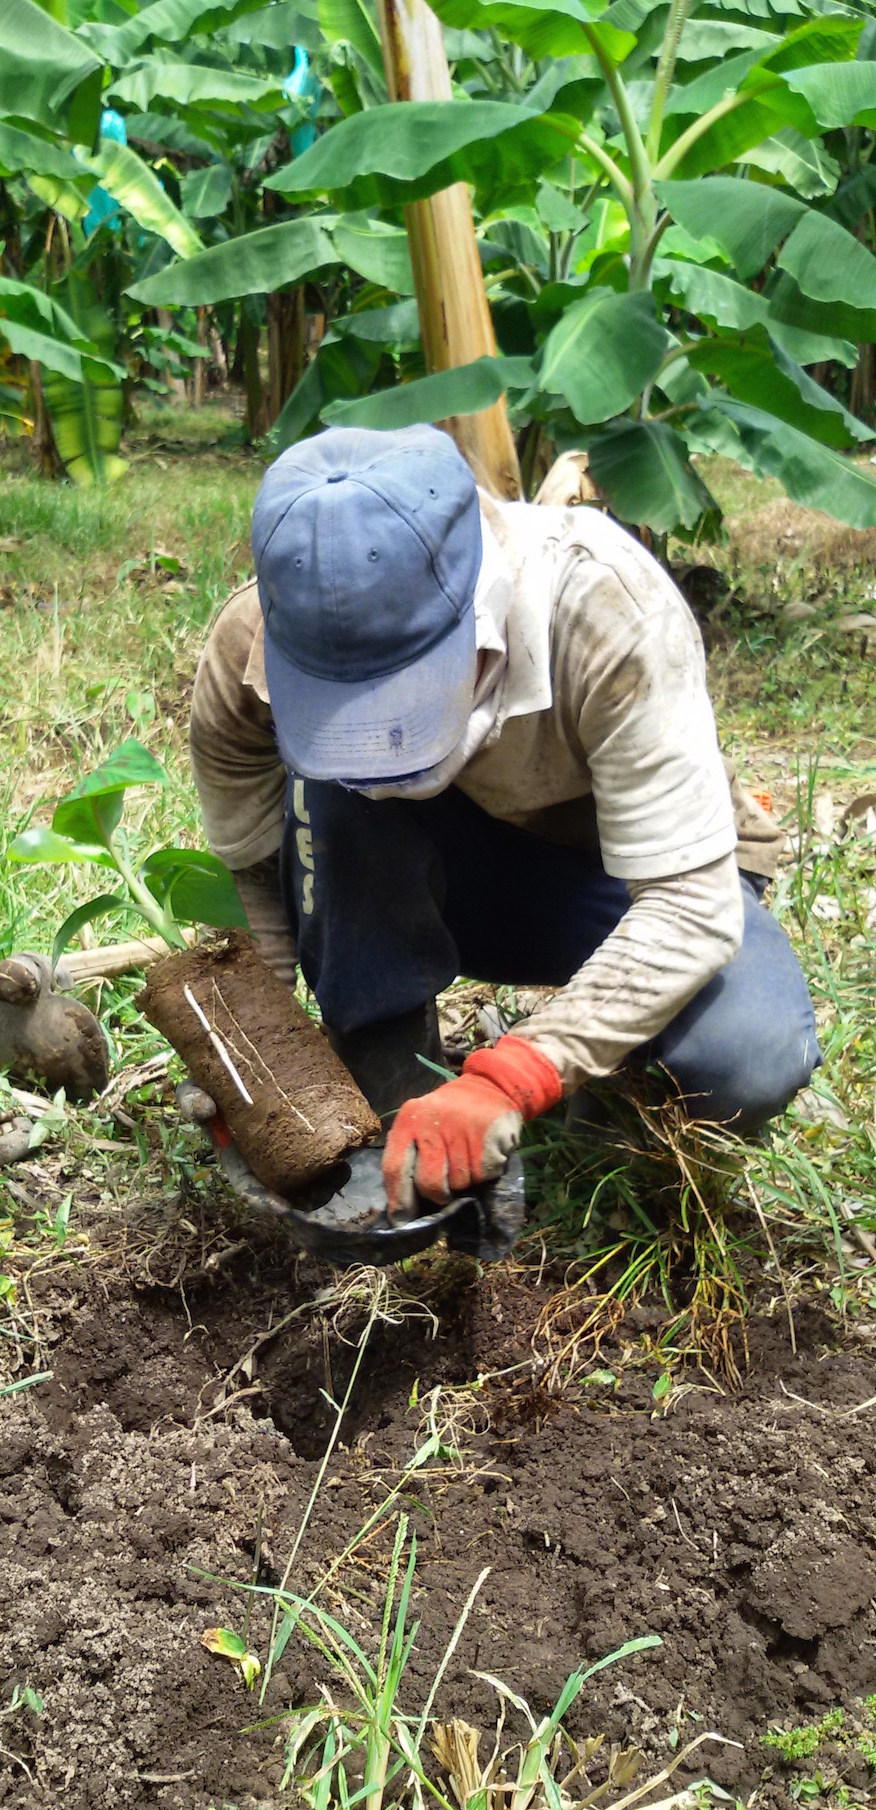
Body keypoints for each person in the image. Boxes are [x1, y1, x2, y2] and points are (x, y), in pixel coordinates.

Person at [189, 424, 820, 1216]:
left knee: (748, 1057)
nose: (383, 755)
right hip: (436, 872)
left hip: (618, 882)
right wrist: (254, 1062)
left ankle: (602, 1120)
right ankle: (389, 1080)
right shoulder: (248, 650)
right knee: (334, 800)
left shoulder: (606, 614)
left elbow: (689, 908)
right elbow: (254, 875)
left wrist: (517, 1075)